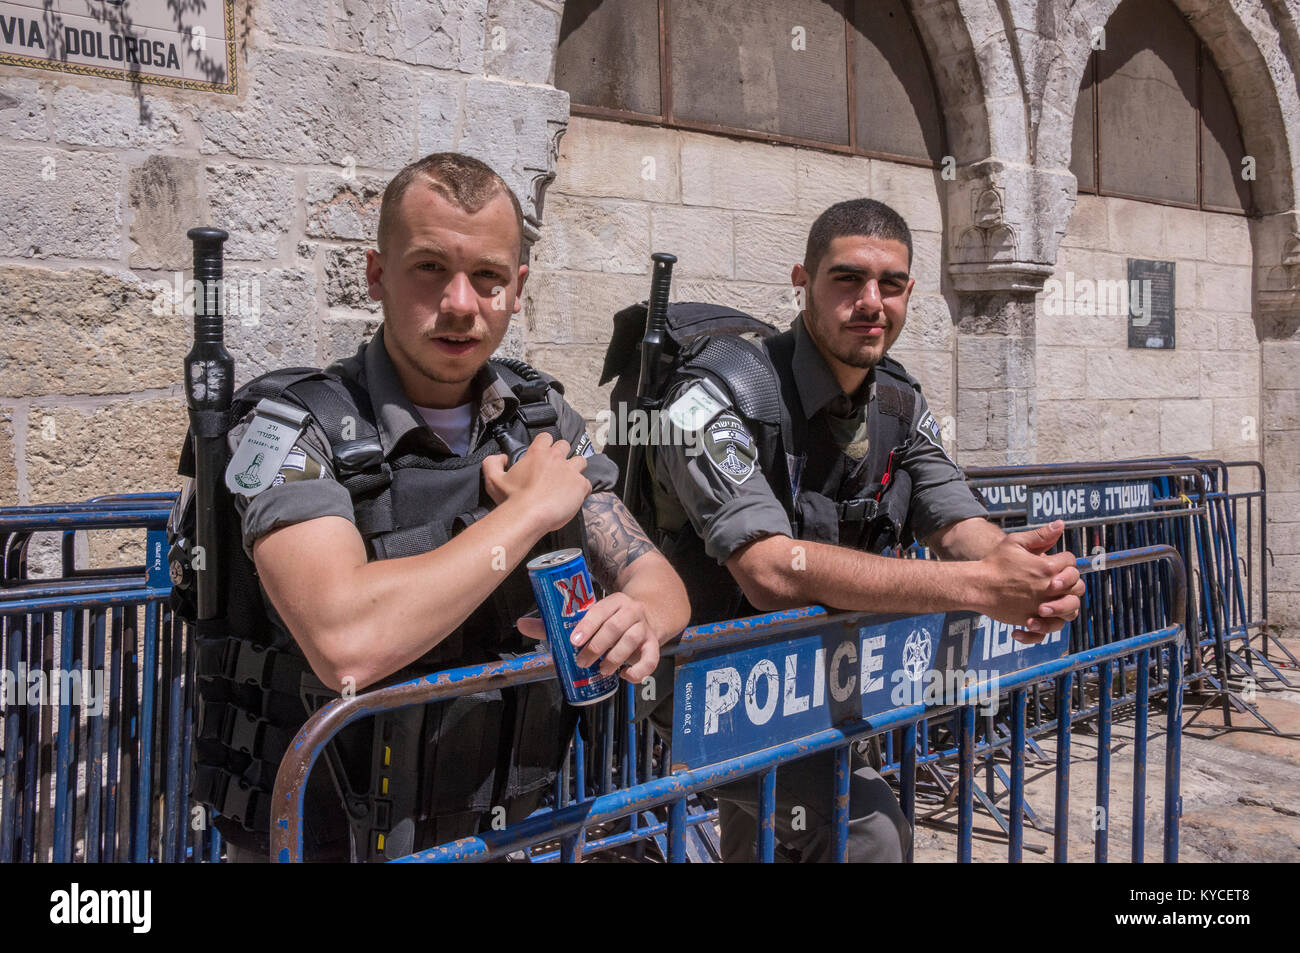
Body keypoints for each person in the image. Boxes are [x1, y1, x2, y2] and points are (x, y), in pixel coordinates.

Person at [198, 152, 690, 861]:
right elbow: (346, 641)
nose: (461, 303)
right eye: (430, 267)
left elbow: (658, 580)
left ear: (517, 288)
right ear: (376, 274)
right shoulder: (287, 424)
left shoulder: (542, 419)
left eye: (488, 276)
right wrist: (526, 514)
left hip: (508, 835)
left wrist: (640, 617)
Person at [643, 198, 1086, 862]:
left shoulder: (898, 402)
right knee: (870, 830)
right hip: (716, 692)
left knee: (764, 833)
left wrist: (1022, 570)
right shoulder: (715, 394)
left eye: (891, 284)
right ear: (803, 281)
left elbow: (954, 517)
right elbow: (768, 570)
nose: (871, 301)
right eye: (847, 279)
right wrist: (976, 585)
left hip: (827, 679)